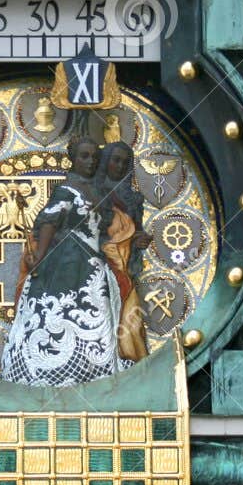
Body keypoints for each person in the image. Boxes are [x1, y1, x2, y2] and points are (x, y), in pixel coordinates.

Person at [0, 136, 122, 387]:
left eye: (94, 158)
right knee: (59, 312)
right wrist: (40, 255)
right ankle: (52, 364)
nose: (90, 162)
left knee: (95, 312)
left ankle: (91, 368)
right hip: (67, 261)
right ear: (73, 159)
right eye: (84, 156)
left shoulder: (96, 190)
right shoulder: (66, 190)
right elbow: (49, 222)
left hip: (92, 262)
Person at [99, 141, 150, 364]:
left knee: (129, 312)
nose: (120, 166)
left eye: (124, 162)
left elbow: (135, 229)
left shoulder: (134, 199)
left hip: (127, 263)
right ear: (105, 162)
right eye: (115, 160)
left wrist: (140, 238)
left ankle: (128, 357)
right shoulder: (95, 193)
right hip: (103, 263)